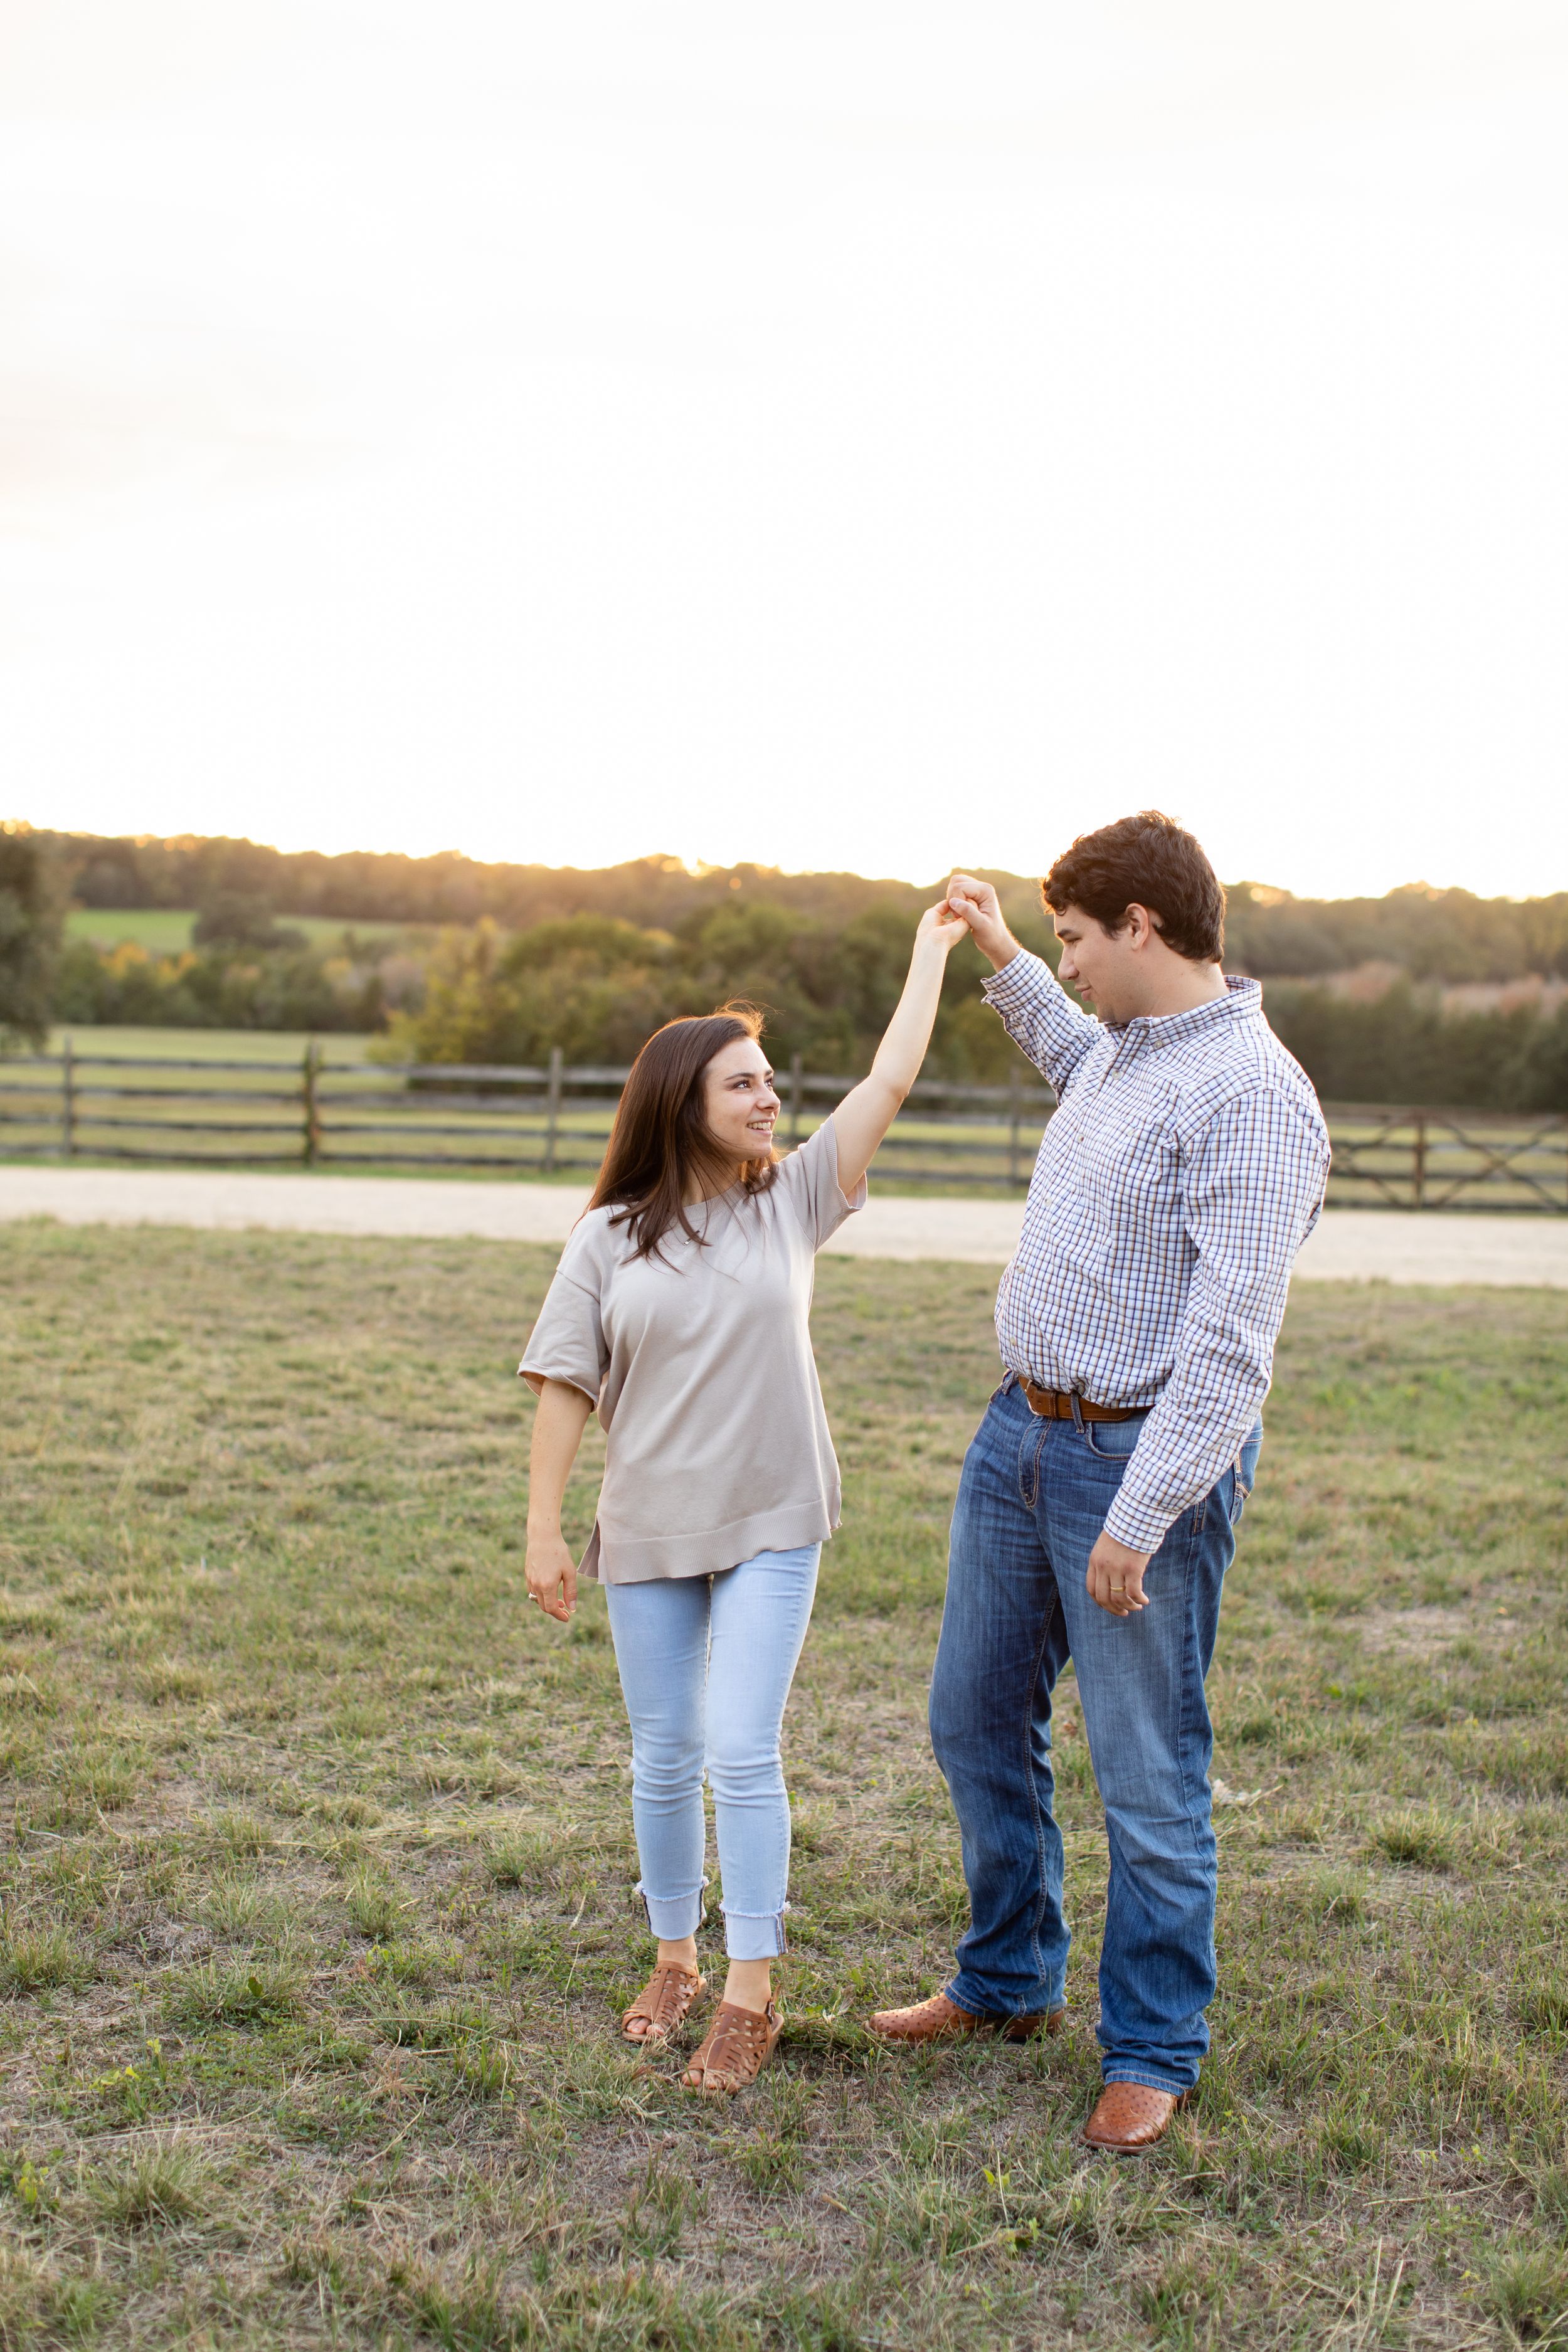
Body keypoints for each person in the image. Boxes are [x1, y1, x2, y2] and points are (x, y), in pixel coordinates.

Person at [870, 813, 1330, 2154]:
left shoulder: (1250, 1094)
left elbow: (1233, 1343)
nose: (1066, 965)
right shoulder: (1133, 1053)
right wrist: (1003, 952)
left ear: (1140, 928)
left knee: (1144, 1770)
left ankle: (1149, 2046)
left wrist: (1141, 1515)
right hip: (1016, 1435)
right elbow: (1078, 1057)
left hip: (1136, 1465)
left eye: (1073, 938)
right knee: (970, 1716)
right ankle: (1007, 1981)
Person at [519, 901, 970, 2096]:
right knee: (662, 1756)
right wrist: (543, 1525)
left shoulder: (798, 1197)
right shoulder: (608, 1238)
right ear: (684, 1103)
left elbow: (891, 1076)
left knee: (738, 1746)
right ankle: (673, 1959)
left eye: (771, 1080)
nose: (771, 1099)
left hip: (774, 1516)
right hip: (653, 1525)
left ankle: (750, 1991)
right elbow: (566, 1381)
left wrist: (931, 951)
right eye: (744, 1084)